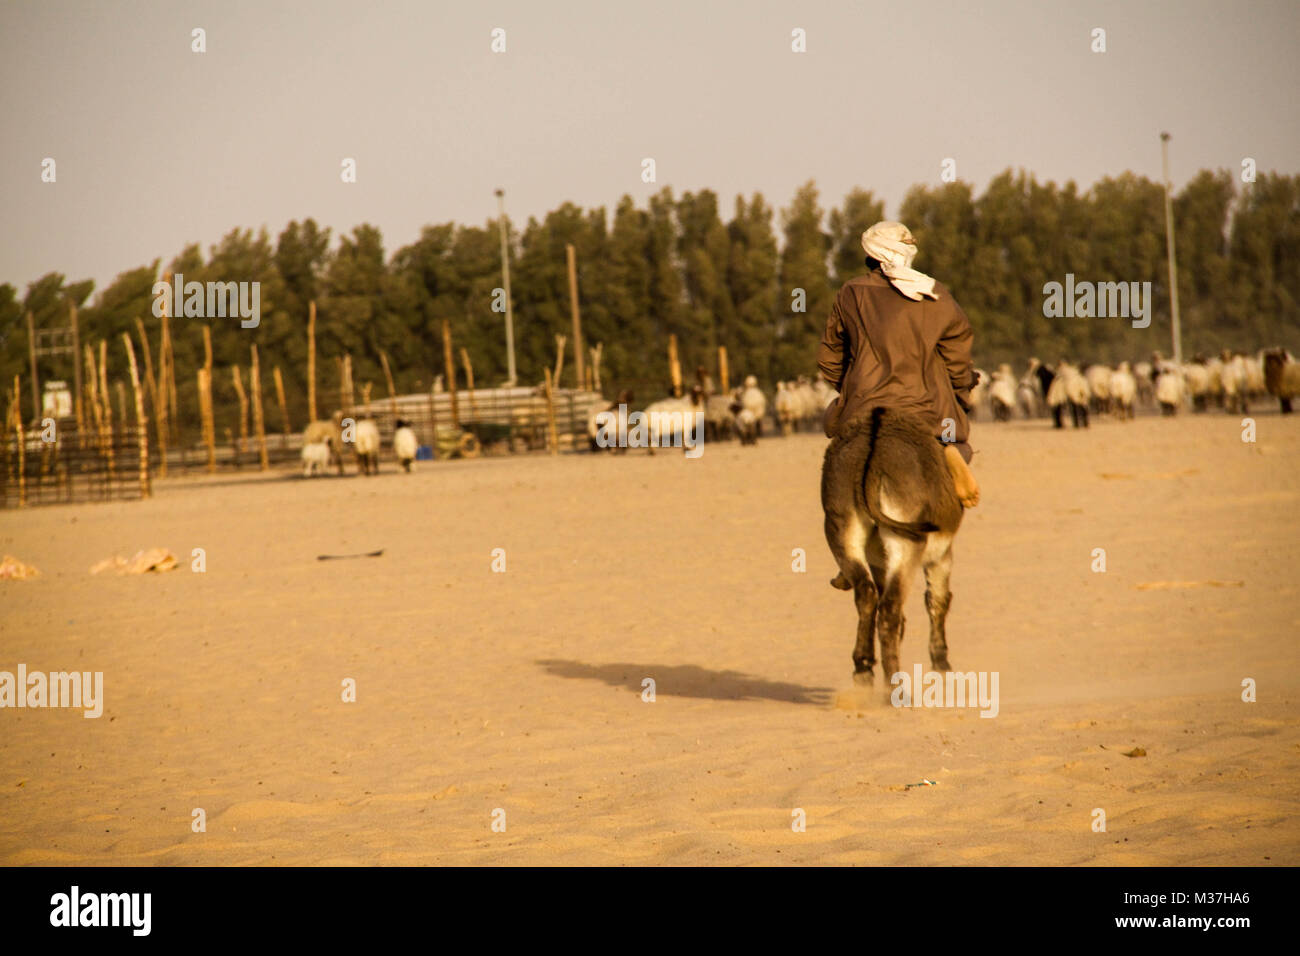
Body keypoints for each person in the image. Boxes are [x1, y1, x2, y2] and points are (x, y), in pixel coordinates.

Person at [817, 220, 980, 507]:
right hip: (927, 409)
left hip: (863, 406)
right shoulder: (935, 293)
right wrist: (961, 393)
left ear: (870, 256)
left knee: (837, 447)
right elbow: (958, 361)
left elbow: (829, 357)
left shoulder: (851, 293)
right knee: (958, 441)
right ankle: (948, 453)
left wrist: (854, 384)